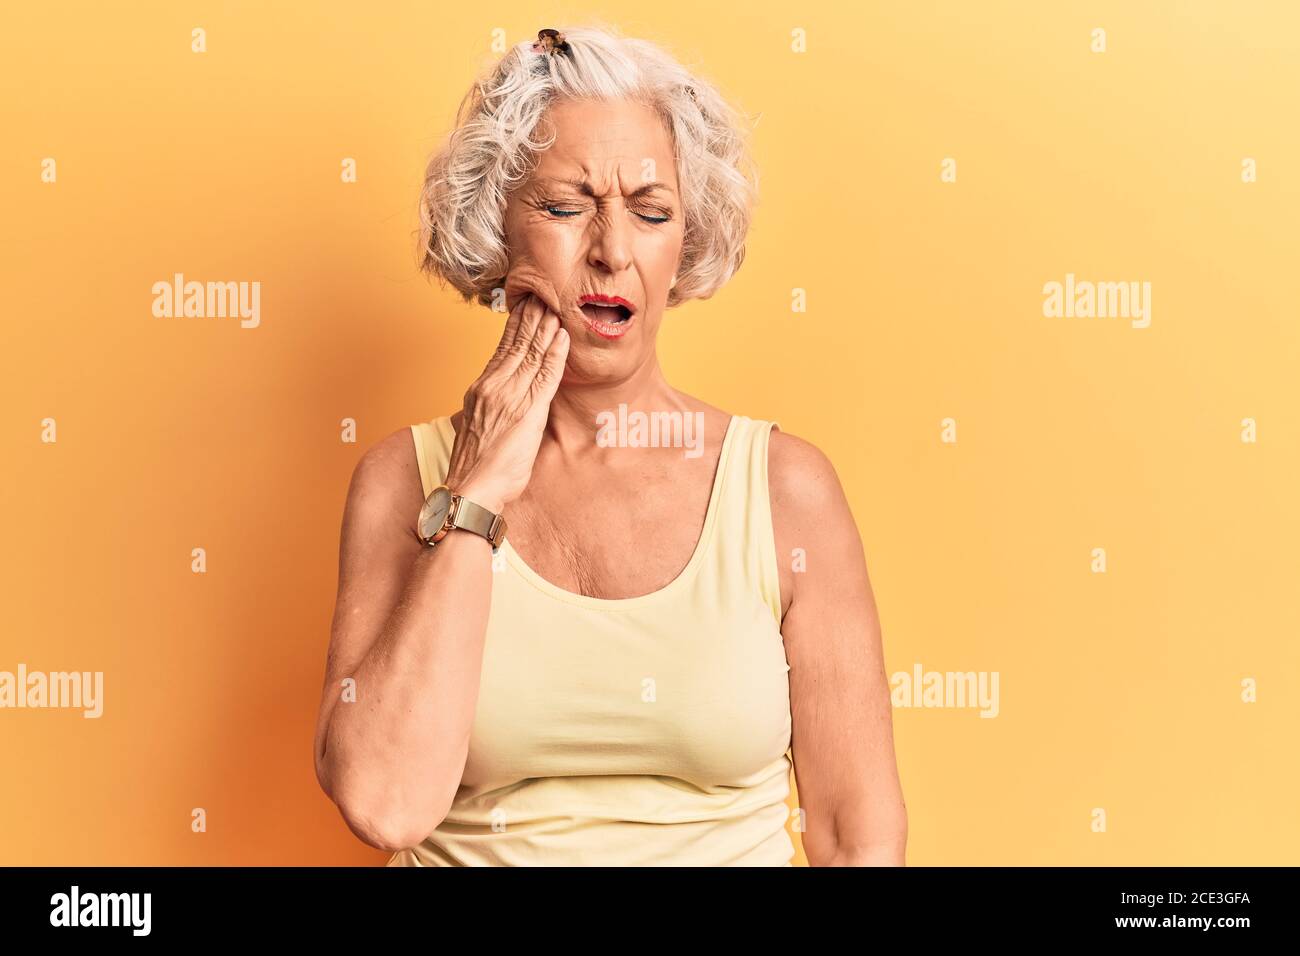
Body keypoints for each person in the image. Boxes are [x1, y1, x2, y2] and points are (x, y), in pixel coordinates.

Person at [312, 24, 907, 866]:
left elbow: (858, 839)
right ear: (496, 227)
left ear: (683, 244)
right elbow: (383, 802)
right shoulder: (399, 484)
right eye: (563, 207)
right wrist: (479, 486)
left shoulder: (785, 490)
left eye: (651, 212)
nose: (612, 251)